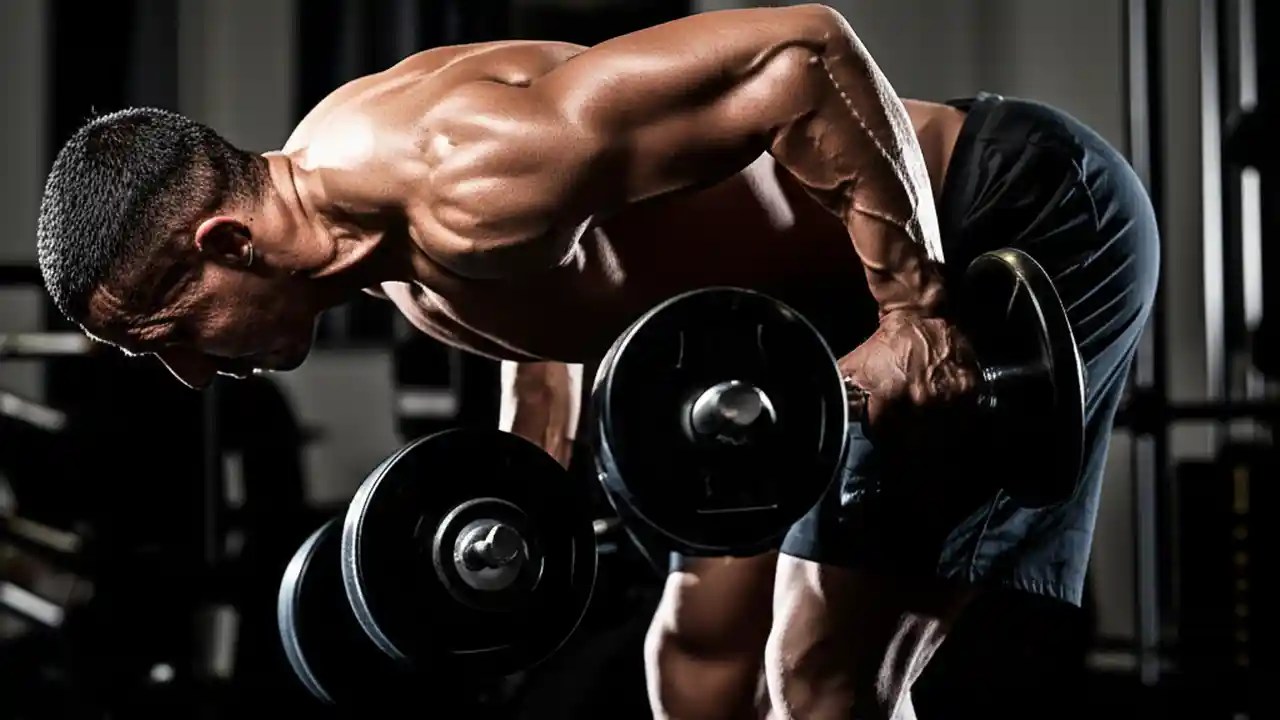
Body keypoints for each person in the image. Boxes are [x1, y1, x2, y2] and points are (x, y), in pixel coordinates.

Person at [35, 4, 1158, 718]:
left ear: (226, 244)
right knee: (695, 667)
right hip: (789, 324)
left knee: (819, 684)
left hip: (994, 223)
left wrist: (912, 308)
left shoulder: (461, 171)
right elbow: (561, 285)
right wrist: (535, 446)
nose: (186, 373)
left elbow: (802, 51)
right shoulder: (362, 221)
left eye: (168, 331)